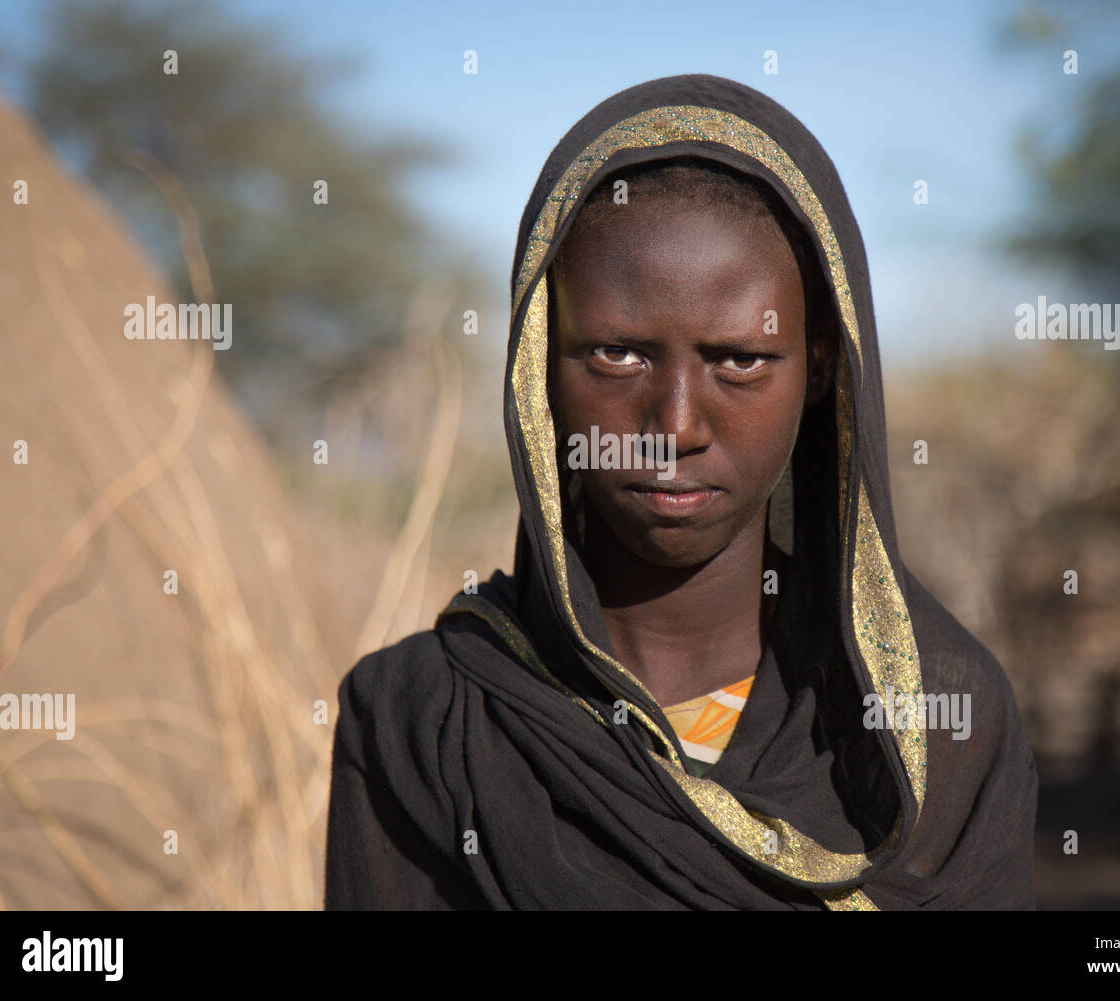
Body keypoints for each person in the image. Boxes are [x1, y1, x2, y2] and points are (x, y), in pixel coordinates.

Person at [324, 73, 1038, 910]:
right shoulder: (428, 721)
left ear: (819, 370)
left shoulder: (932, 724)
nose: (675, 422)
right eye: (617, 354)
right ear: (537, 371)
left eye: (739, 358)